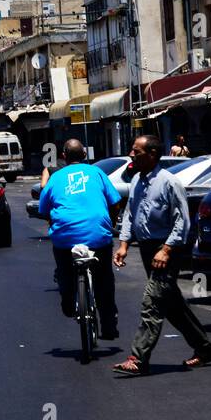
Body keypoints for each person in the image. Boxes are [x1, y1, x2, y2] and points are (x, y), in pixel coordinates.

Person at [112, 134, 211, 376]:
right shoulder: (137, 180)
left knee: (153, 302)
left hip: (167, 249)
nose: (131, 155)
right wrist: (124, 244)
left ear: (151, 155)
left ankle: (138, 358)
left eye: (136, 152)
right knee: (172, 306)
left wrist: (167, 250)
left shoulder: (170, 182)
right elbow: (130, 213)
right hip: (148, 248)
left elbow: (183, 221)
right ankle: (204, 348)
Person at [38, 139, 121, 339]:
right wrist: (110, 221)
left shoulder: (56, 177)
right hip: (98, 236)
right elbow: (115, 202)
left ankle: (68, 300)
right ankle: (109, 325)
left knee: (64, 270)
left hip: (65, 238)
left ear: (64, 157)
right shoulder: (97, 173)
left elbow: (43, 209)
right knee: (104, 280)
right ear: (85, 155)